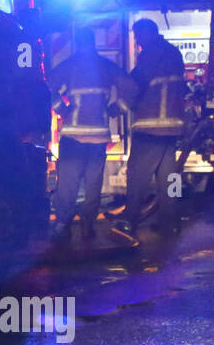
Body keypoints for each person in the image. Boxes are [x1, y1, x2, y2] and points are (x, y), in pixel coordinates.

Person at [48, 28, 135, 245]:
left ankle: (63, 225)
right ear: (94, 43)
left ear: (78, 43)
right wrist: (118, 108)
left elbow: (47, 87)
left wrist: (62, 109)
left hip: (73, 136)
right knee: (93, 183)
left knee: (68, 183)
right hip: (98, 136)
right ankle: (88, 226)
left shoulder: (69, 65)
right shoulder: (106, 66)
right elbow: (132, 87)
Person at [120, 18, 188, 237]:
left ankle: (130, 222)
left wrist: (117, 107)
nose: (138, 41)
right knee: (170, 179)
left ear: (148, 33)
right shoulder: (174, 53)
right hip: (172, 130)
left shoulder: (149, 54)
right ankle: (172, 222)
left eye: (138, 35)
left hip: (150, 129)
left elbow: (135, 85)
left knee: (137, 177)